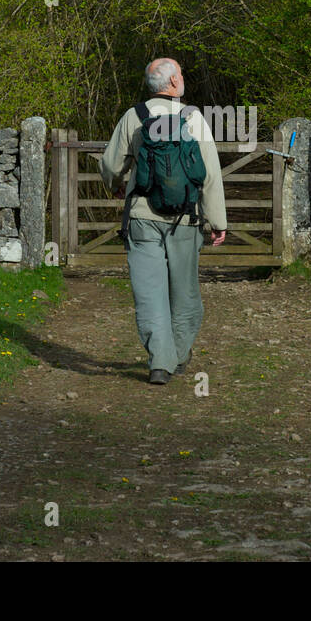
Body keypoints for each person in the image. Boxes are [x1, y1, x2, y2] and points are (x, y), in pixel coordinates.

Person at [99, 58, 226, 385]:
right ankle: (179, 355)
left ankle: (160, 361)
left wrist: (116, 187)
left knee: (149, 293)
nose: (183, 78)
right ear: (172, 83)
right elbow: (210, 175)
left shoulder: (134, 116)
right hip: (186, 218)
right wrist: (217, 221)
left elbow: (111, 165)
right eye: (181, 74)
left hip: (142, 216)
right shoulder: (193, 118)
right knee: (185, 293)